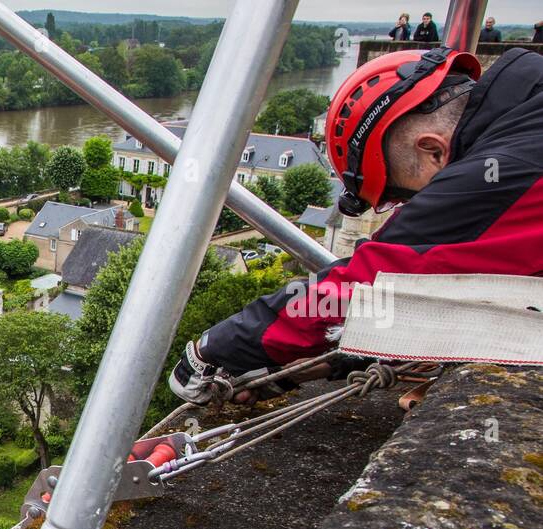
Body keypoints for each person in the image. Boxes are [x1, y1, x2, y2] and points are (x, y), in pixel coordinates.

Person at [170, 46, 543, 406]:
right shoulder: (526, 124)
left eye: (409, 197)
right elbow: (469, 286)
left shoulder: (497, 174)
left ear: (433, 151)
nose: (415, 209)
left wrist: (214, 349)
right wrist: (321, 364)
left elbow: (371, 285)